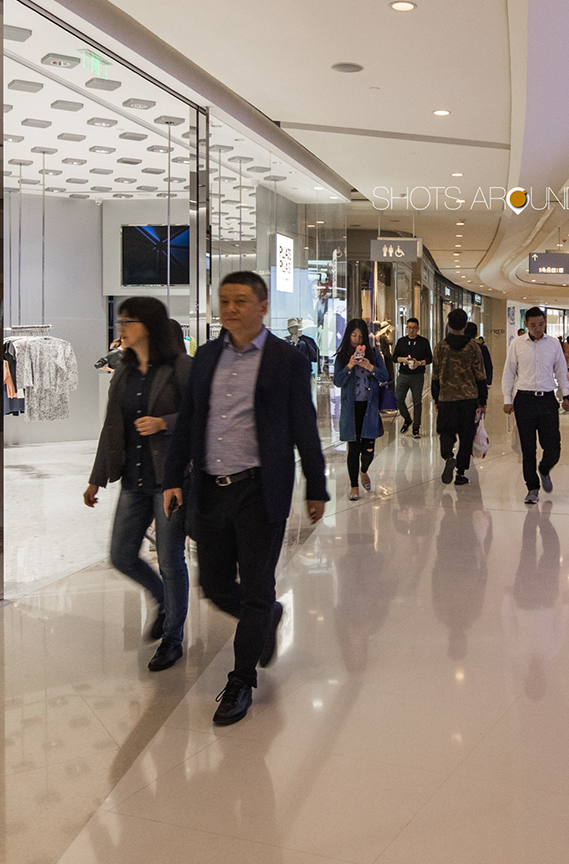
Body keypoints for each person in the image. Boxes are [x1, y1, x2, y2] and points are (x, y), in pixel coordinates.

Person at [162, 271, 330, 726]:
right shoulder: (207, 357)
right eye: (225, 301)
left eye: (240, 301)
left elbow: (303, 428)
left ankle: (240, 680)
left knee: (256, 587)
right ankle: (268, 617)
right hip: (210, 491)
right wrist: (172, 478)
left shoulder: (286, 360)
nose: (230, 309)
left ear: (262, 307)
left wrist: (317, 485)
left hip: (260, 490)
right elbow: (190, 421)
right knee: (214, 586)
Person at [83, 296, 191, 672]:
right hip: (134, 477)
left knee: (171, 560)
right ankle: (162, 598)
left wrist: (165, 423)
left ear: (149, 325)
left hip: (170, 480)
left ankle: (173, 638)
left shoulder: (180, 367)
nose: (121, 328)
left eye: (128, 321)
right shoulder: (124, 373)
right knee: (121, 554)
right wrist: (96, 479)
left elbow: (202, 415)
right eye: (120, 321)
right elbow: (112, 427)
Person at [502, 305, 569, 505]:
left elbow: (560, 371)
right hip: (524, 400)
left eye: (541, 324)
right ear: (526, 324)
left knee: (553, 447)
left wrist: (565, 395)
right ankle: (532, 488)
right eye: (533, 325)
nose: (537, 328)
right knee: (528, 447)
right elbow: (509, 372)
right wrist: (507, 399)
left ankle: (544, 468)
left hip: (548, 399)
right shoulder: (517, 344)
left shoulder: (554, 344)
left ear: (545, 323)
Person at [333, 319, 389, 500]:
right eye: (353, 335)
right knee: (353, 449)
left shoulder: (373, 353)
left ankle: (364, 470)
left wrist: (369, 366)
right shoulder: (342, 356)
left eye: (360, 336)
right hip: (351, 409)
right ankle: (354, 486)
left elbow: (385, 376)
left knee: (368, 451)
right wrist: (349, 366)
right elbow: (337, 381)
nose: (357, 340)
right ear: (348, 335)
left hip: (369, 408)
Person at [431, 307, 487, 484]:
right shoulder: (473, 348)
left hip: (447, 399)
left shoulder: (440, 347)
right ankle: (461, 473)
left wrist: (436, 398)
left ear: (448, 324)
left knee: (446, 432)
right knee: (466, 436)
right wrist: (483, 401)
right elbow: (480, 376)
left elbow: (435, 376)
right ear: (465, 325)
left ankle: (448, 457)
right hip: (468, 400)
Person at [392, 316, 433, 436]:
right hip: (403, 374)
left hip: (417, 375)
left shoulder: (423, 342)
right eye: (409, 328)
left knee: (417, 402)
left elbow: (429, 359)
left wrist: (419, 363)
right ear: (406, 328)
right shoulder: (401, 341)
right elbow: (394, 358)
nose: (411, 330)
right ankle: (407, 418)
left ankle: (416, 427)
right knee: (399, 398)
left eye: (414, 328)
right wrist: (403, 359)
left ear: (418, 328)